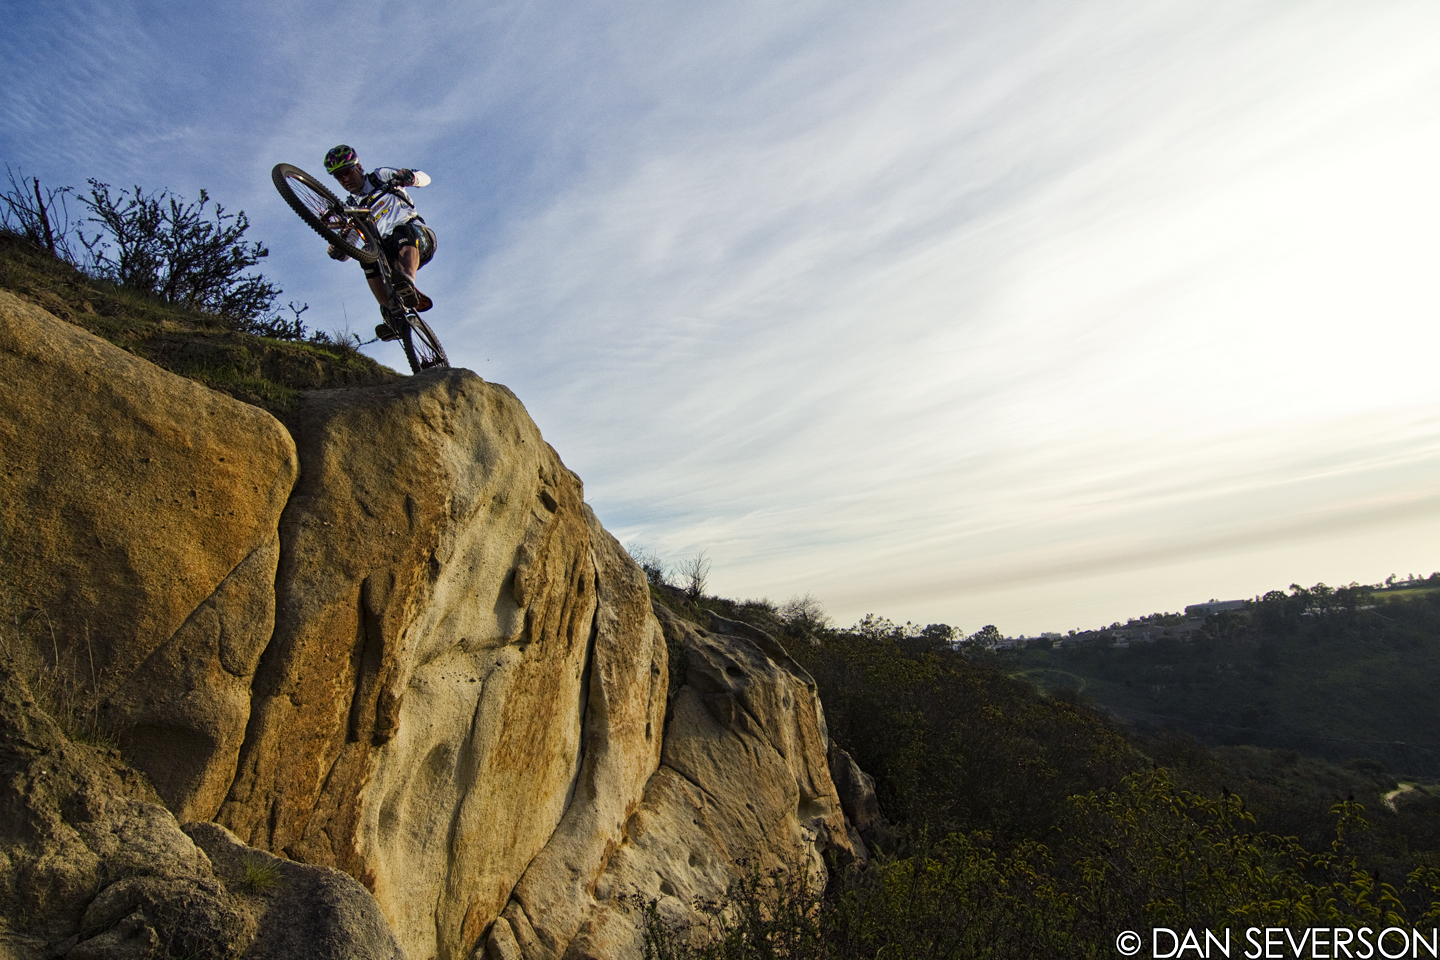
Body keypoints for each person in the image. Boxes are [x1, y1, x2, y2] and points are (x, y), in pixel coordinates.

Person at [322, 144, 437, 340]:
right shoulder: (351, 207)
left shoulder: (380, 176)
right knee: (367, 255)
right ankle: (391, 316)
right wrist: (338, 249)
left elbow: (425, 178)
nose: (344, 179)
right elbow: (349, 252)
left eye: (347, 172)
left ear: (358, 168)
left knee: (401, 231)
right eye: (338, 176)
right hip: (388, 255)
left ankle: (407, 282)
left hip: (418, 237)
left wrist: (409, 177)